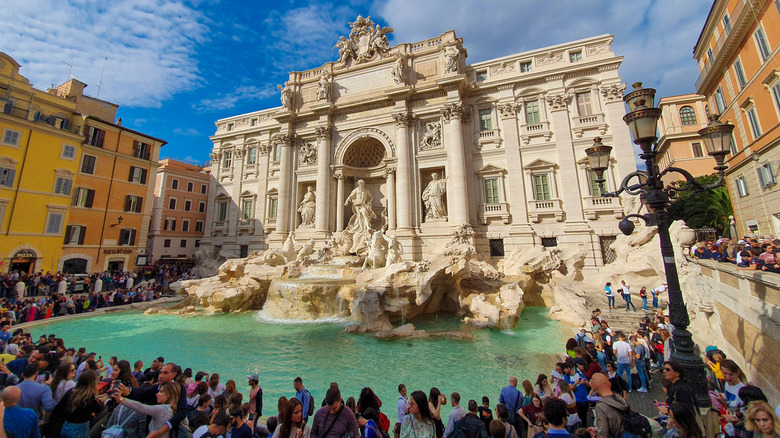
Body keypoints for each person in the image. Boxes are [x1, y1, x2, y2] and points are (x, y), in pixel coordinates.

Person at [119, 362, 188, 438]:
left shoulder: (179, 389)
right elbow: (142, 393)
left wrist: (163, 429)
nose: (161, 376)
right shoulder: (156, 388)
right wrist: (127, 390)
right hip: (151, 429)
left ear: (174, 374)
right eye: (160, 373)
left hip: (169, 432)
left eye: (165, 373)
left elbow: (183, 411)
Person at [113, 381, 182, 438]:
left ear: (169, 395)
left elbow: (141, 407)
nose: (157, 394)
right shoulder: (173, 410)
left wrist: (121, 399)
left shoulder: (163, 409)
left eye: (161, 392)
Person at [48, 370, 102, 438]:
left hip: (66, 425)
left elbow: (59, 408)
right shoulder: (90, 397)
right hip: (79, 429)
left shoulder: (71, 392)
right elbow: (98, 410)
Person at [589, 373, 628, 438]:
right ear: (609, 384)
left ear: (595, 387)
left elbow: (603, 435)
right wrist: (596, 429)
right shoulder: (619, 398)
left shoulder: (601, 406)